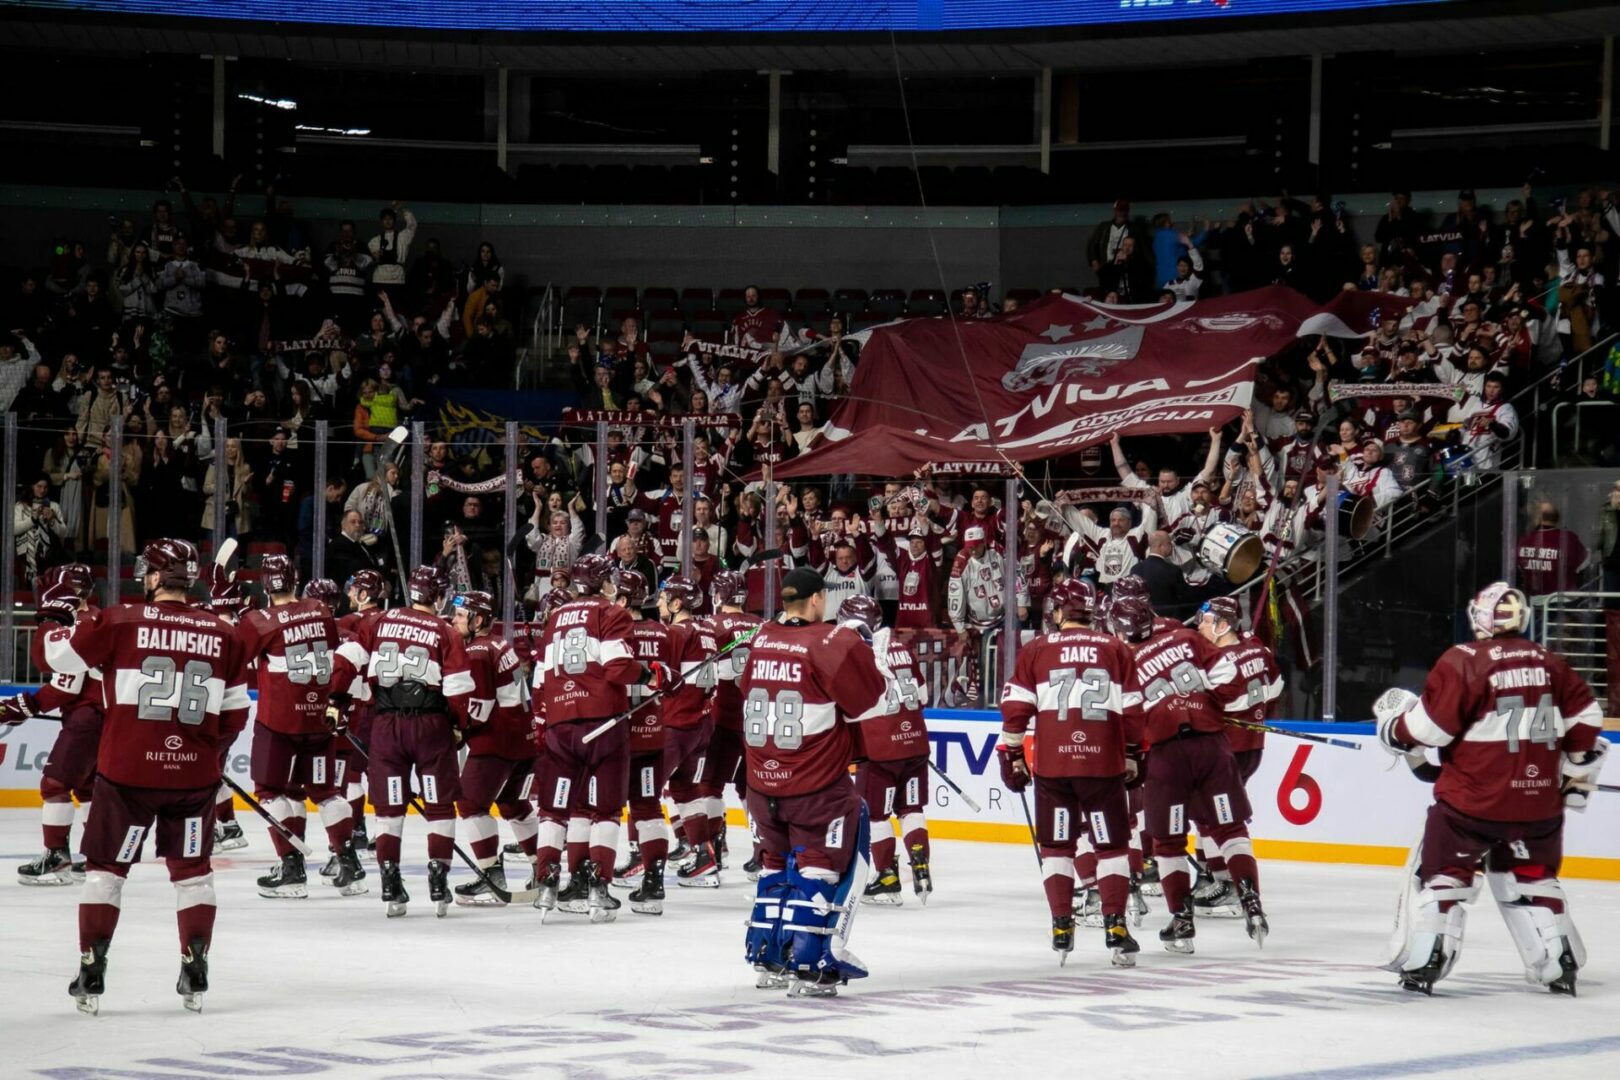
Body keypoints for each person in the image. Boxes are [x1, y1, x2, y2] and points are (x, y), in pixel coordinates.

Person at [18, 539, 251, 1014]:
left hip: (127, 776)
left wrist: (53, 616)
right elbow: (234, 716)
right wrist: (204, 753)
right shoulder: (225, 633)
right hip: (193, 781)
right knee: (193, 875)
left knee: (107, 871)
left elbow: (54, 661)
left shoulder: (121, 618)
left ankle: (92, 967)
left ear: (154, 577)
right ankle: (196, 963)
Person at [1373, 582, 1605, 996]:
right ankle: (1560, 961)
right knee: (1531, 878)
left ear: (1480, 616)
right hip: (1539, 807)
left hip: (1472, 805)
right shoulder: (1551, 662)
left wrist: (1394, 729)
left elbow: (1430, 731)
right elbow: (1588, 721)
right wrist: (1572, 767)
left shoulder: (1464, 661)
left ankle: (1427, 958)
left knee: (1443, 874)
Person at [741, 567, 888, 997]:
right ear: (818, 600)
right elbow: (872, 704)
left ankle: (767, 954)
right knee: (819, 865)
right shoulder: (831, 641)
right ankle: (809, 962)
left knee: (774, 863)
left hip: (760, 781)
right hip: (813, 783)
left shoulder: (761, 638)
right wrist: (867, 652)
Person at [998, 579, 1142, 965]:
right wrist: (1132, 754)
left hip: (1054, 767)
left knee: (1057, 847)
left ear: (1058, 613)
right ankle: (1115, 926)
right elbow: (1133, 709)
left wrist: (1012, 755)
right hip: (1103, 764)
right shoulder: (1114, 648)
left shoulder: (1037, 649)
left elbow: (1015, 709)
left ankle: (1062, 924)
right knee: (1111, 846)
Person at [1113, 594, 1266, 953]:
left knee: (1168, 842)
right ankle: (1251, 903)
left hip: (1167, 757)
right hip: (1212, 746)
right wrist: (1207, 703)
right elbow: (1230, 676)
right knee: (1230, 828)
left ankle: (1182, 920)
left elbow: (1126, 717)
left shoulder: (1125, 661)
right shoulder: (1185, 637)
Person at [529, 554, 668, 922]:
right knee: (604, 810)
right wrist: (654, 674)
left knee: (556, 810)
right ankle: (599, 888)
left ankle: (546, 882)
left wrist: (546, 720)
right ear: (605, 583)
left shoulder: (556, 617)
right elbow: (618, 667)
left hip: (560, 726)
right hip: (603, 726)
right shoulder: (611, 613)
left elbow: (540, 681)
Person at [348, 564, 474, 918]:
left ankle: (390, 882)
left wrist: (336, 702)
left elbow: (347, 662)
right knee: (438, 807)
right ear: (437, 596)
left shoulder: (379, 621)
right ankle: (438, 881)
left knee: (388, 810)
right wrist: (458, 725)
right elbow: (459, 690)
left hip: (386, 726)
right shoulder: (445, 631)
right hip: (430, 726)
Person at [235, 555, 363, 901]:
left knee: (271, 791)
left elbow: (232, 656)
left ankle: (291, 868)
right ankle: (347, 862)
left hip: (279, 724)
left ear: (265, 585)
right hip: (318, 720)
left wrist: (229, 609)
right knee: (325, 792)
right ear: (295, 580)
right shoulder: (320, 611)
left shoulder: (260, 620)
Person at [1190, 596, 1282, 919]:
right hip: (1253, 745)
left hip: (1228, 749)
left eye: (1206, 618)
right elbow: (1277, 687)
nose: (1200, 624)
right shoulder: (1258, 648)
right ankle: (1208, 875)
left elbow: (1209, 708)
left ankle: (1225, 883)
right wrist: (1256, 714)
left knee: (1213, 816)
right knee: (1206, 811)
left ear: (1223, 624)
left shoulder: (1222, 661)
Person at [840, 596, 934, 908]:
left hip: (879, 749)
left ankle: (886, 877)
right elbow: (921, 696)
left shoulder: (856, 653)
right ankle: (920, 863)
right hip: (916, 743)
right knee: (911, 809)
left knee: (878, 815)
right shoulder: (901, 648)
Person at [12, 564, 100, 886]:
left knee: (54, 785)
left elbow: (66, 685)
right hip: (102, 716)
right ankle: (94, 858)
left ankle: (57, 858)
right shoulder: (97, 618)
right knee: (88, 788)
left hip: (87, 718)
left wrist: (25, 705)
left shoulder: (77, 624)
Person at [448, 590, 536, 906]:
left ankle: (490, 876)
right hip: (523, 739)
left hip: (496, 742)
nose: (454, 619)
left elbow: (480, 708)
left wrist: (454, 727)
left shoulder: (477, 652)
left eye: (460, 614)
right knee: (514, 804)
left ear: (479, 619)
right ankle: (544, 869)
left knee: (471, 804)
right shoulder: (498, 642)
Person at [608, 569, 675, 914]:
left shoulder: (614, 631)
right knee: (647, 808)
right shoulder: (664, 632)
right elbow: (673, 681)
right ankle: (654, 882)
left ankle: (590, 882)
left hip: (617, 735)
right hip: (654, 733)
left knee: (597, 809)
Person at [656, 575, 724, 887]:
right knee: (685, 789)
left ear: (677, 602)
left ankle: (640, 860)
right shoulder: (707, 630)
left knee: (644, 791)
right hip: (701, 724)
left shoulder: (676, 632)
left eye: (663, 597)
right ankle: (704, 856)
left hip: (676, 723)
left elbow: (660, 676)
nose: (658, 602)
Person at [701, 570, 763, 877]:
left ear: (719, 596)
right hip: (757, 721)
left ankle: (713, 849)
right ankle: (761, 851)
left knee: (710, 784)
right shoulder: (763, 627)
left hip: (723, 716)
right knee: (750, 787)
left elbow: (705, 674)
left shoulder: (712, 625)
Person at [1514, 502, 1590, 597]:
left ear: (1537, 518)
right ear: (1557, 518)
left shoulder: (1525, 540)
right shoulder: (1568, 539)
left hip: (1534, 600)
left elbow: (1518, 566)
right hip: (1564, 599)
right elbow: (1585, 562)